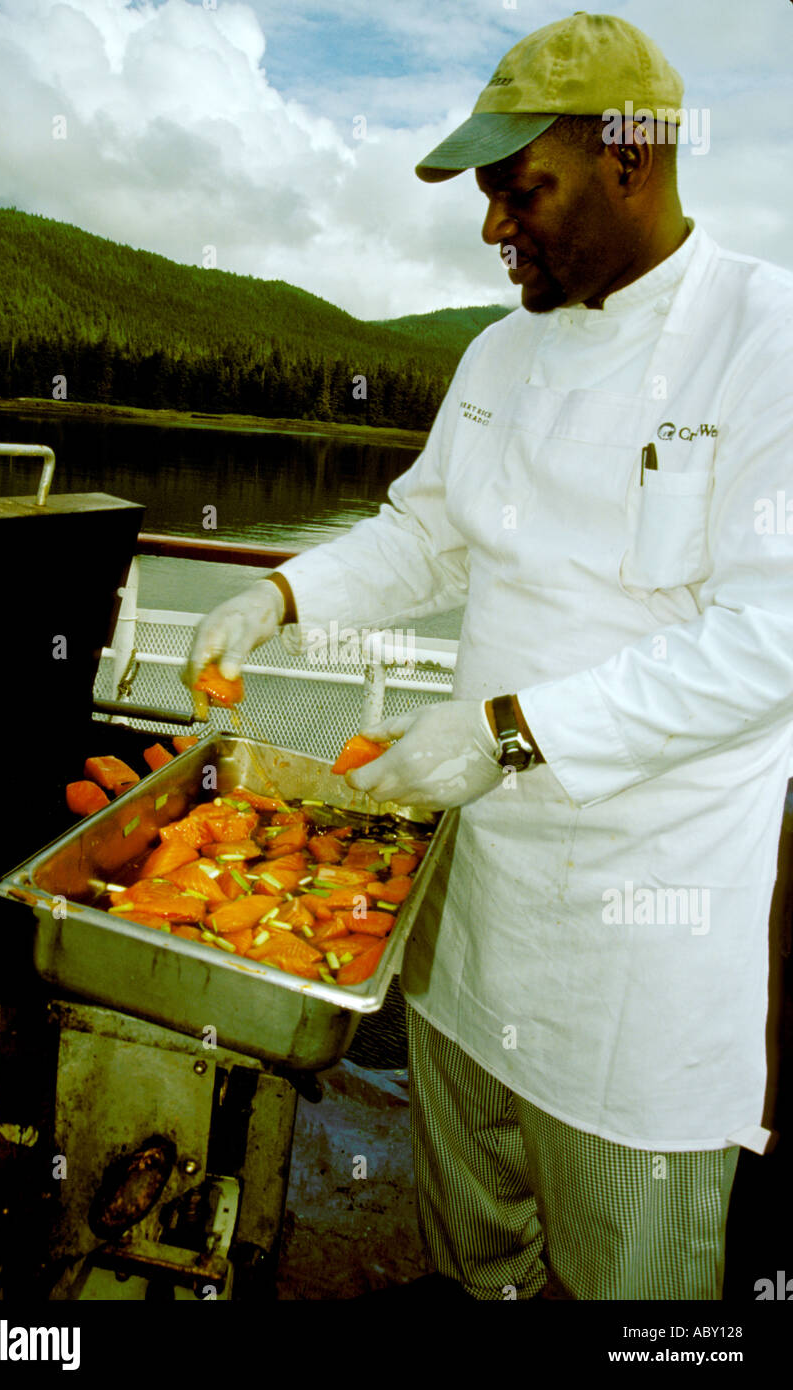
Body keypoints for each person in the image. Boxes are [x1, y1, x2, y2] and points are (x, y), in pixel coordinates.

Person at [185, 12, 793, 1300]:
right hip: (472, 939)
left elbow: (769, 643)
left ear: (631, 161)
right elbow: (426, 536)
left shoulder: (766, 340)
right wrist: (283, 597)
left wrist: (508, 729)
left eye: (522, 188)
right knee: (477, 1264)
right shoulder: (501, 351)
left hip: (648, 966)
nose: (491, 227)